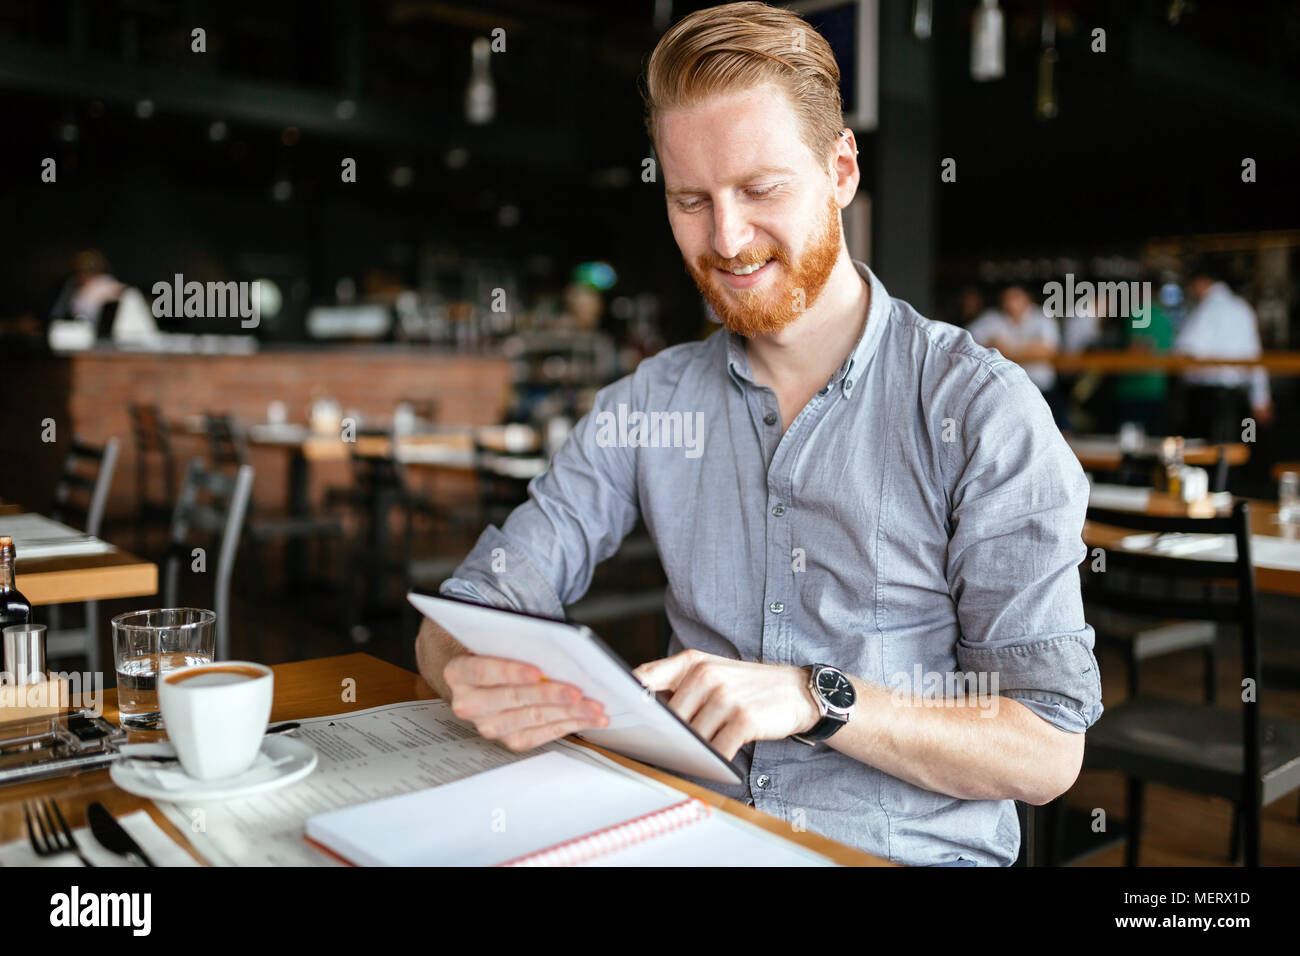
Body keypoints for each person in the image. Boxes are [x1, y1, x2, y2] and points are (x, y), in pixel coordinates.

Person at [414, 1, 1100, 867]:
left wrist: (819, 698)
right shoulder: (648, 403)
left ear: (842, 169)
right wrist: (461, 667)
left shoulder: (980, 410)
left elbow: (1045, 750)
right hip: (685, 842)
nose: (727, 239)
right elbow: (466, 609)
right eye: (691, 200)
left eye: (760, 189)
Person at [1174, 259, 1273, 442]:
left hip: (1208, 399)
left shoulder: (1206, 309)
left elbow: (1184, 350)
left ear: (1201, 282)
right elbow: (1254, 355)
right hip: (1237, 399)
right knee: (1240, 446)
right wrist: (1260, 398)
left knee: (1206, 456)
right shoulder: (1242, 308)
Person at [966, 284, 1067, 427]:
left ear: (1027, 299)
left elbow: (1050, 350)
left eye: (1015, 298)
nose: (1010, 303)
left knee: (1052, 427)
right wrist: (1030, 347)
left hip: (1041, 387)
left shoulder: (1041, 317)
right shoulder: (992, 318)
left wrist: (1008, 349)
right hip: (1004, 387)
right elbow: (968, 344)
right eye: (1007, 298)